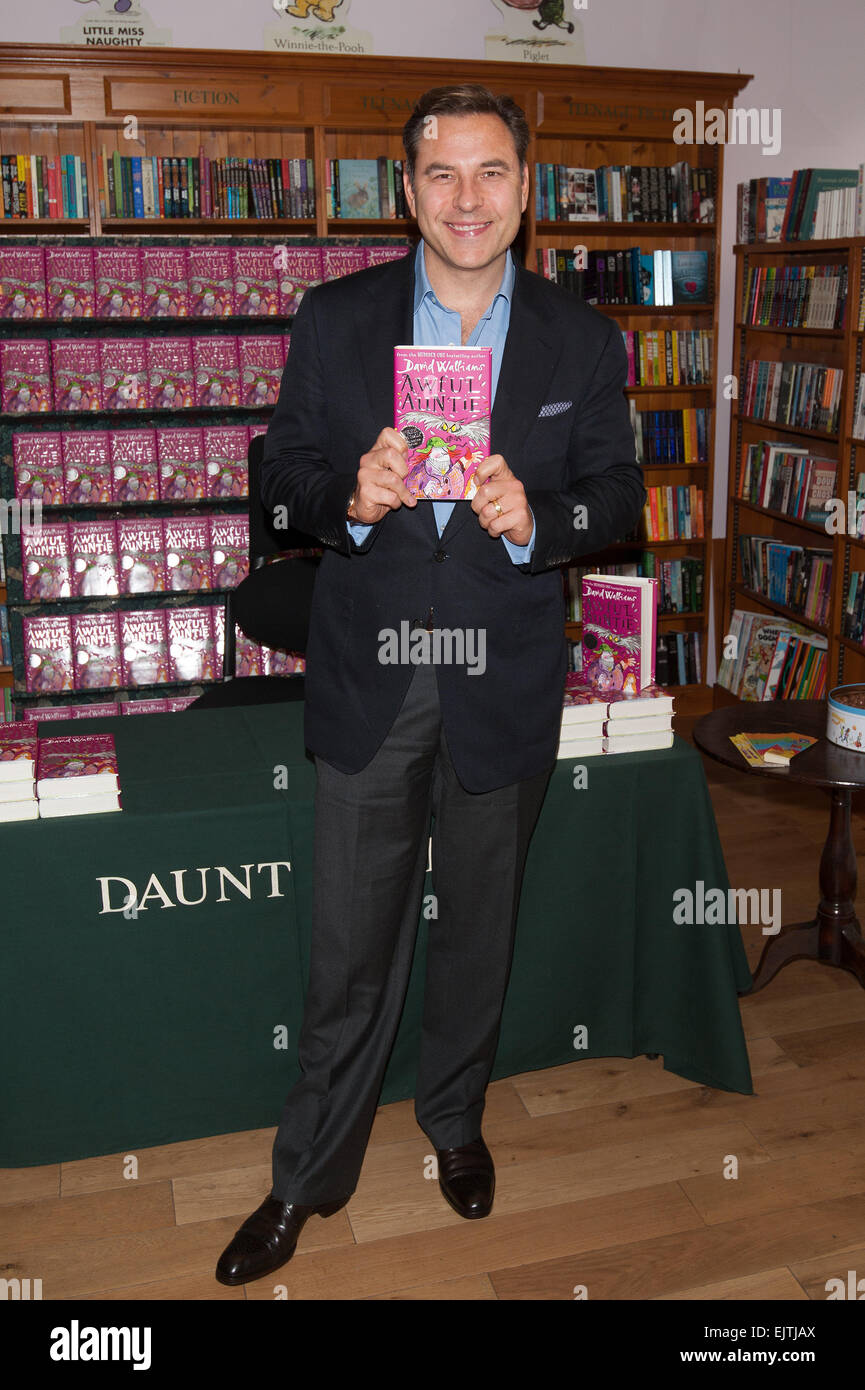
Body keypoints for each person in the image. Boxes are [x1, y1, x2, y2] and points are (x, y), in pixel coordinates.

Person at [216, 83, 645, 1287]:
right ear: (406, 190)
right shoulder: (333, 316)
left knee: (478, 934)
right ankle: (307, 1174)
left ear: (525, 187)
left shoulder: (580, 337)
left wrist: (540, 519)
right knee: (350, 947)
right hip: (374, 675)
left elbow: (617, 496)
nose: (467, 198)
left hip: (502, 678)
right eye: (442, 174)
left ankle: (454, 1123)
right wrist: (341, 501)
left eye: (492, 172)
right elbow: (278, 475)